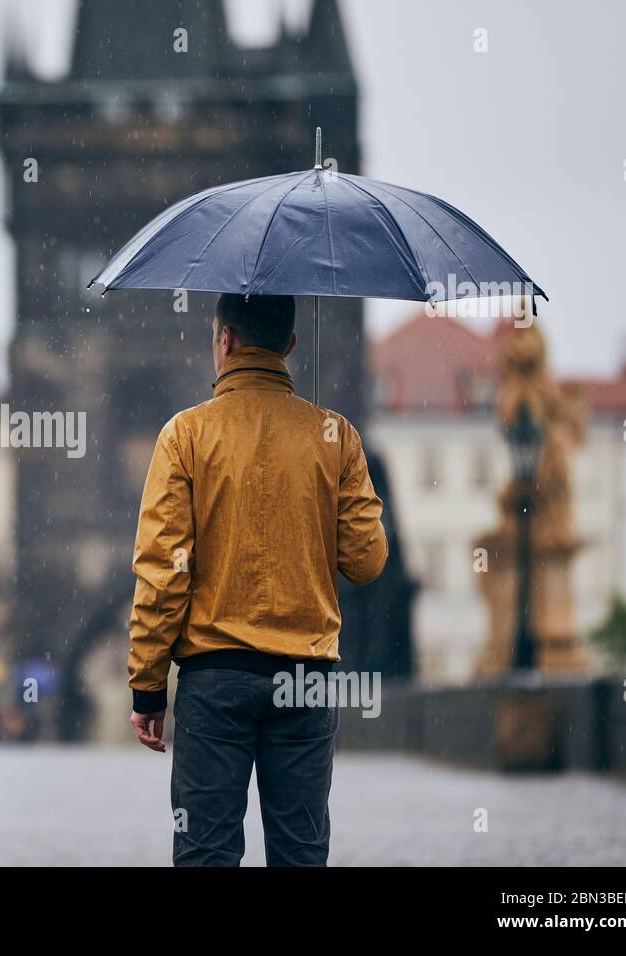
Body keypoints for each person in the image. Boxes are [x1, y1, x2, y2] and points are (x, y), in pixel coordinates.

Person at [127, 293, 388, 867]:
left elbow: (163, 572)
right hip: (306, 678)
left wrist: (148, 685)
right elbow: (367, 561)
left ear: (224, 341)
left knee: (206, 853)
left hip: (215, 678)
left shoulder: (185, 435)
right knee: (300, 855)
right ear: (290, 346)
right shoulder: (335, 436)